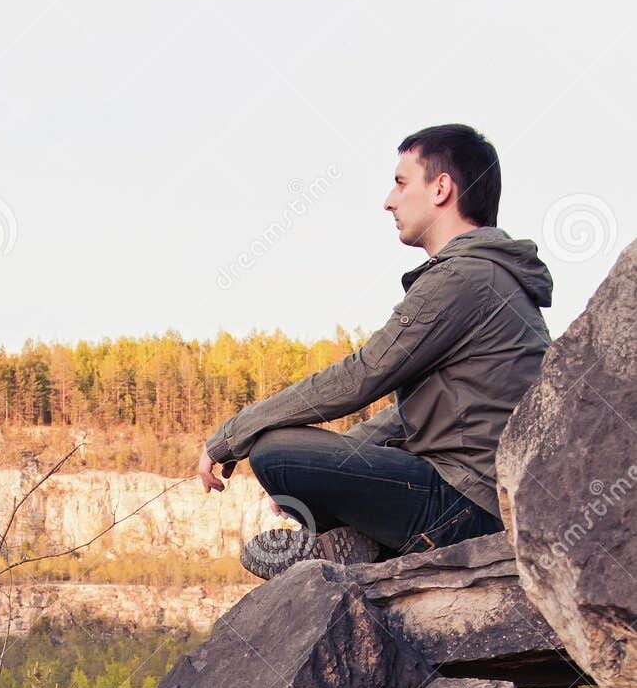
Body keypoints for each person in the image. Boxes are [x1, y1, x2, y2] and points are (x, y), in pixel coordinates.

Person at [197, 124, 554, 577]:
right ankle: (349, 543)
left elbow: (361, 376)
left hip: (469, 507)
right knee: (296, 456)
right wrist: (327, 471)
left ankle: (358, 545)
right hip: (480, 495)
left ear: (441, 188)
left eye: (402, 183)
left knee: (274, 451)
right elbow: (404, 418)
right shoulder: (492, 278)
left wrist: (232, 435)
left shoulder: (465, 279)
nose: (389, 200)